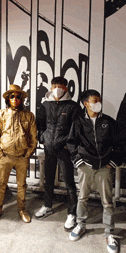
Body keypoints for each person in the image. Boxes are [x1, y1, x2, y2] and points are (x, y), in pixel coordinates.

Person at [67, 89, 122, 253]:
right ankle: (81, 225)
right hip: (85, 167)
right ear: (86, 103)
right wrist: (78, 161)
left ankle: (109, 233)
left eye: (99, 100)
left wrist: (113, 162)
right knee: (82, 198)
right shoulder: (77, 122)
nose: (98, 103)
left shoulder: (109, 122)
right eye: (94, 100)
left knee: (107, 202)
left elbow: (120, 144)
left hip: (104, 168)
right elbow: (71, 143)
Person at [35, 76, 81, 232]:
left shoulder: (73, 107)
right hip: (49, 148)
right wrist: (43, 139)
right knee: (48, 179)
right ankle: (47, 205)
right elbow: (40, 125)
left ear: (66, 88)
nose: (57, 88)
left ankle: (72, 213)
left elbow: (77, 129)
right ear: (50, 86)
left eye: (60, 85)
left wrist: (69, 146)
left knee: (69, 182)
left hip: (64, 150)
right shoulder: (45, 105)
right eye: (54, 85)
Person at [0, 84, 37, 224]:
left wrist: (27, 154)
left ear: (22, 99)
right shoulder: (0, 115)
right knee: (1, 184)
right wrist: (0, 154)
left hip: (22, 157)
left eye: (18, 96)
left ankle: (22, 209)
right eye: (12, 96)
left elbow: (33, 137)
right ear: (8, 99)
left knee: (22, 185)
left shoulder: (29, 116)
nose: (15, 99)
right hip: (6, 157)